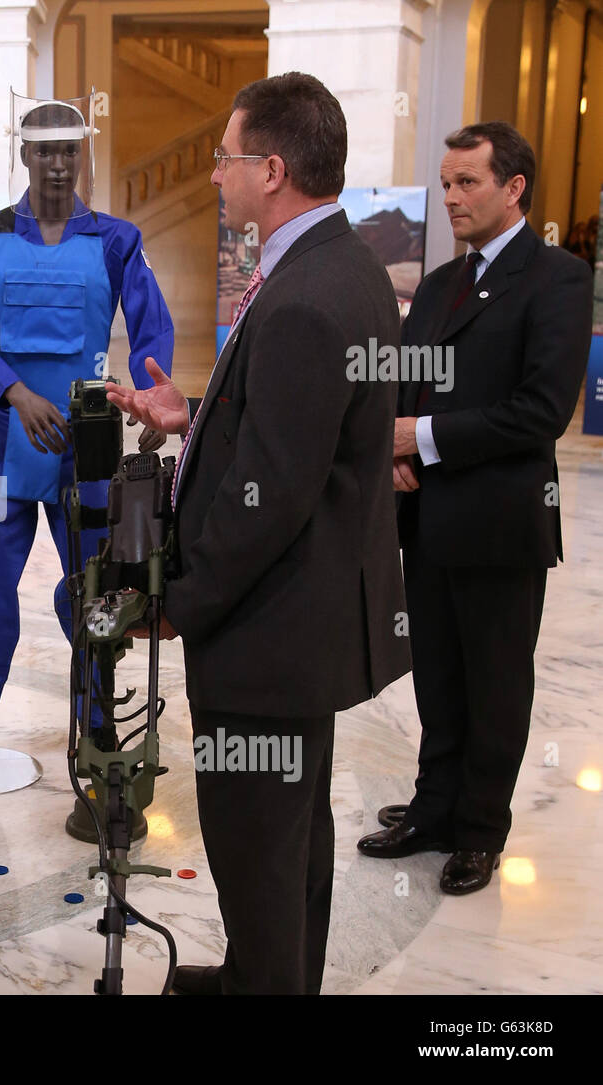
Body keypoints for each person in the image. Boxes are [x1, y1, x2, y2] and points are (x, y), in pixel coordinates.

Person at [106, 72, 410, 995]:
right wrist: (189, 415)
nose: (213, 176)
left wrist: (179, 605)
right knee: (288, 834)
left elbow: (270, 494)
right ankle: (263, 979)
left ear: (271, 169)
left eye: (226, 158)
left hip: (270, 630)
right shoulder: (339, 265)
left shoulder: (309, 296)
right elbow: (284, 428)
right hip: (299, 626)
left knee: (258, 848)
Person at [357, 122, 592, 894]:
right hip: (426, 521)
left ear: (513, 187)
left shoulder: (557, 277)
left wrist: (416, 436)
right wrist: (393, 449)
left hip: (498, 526)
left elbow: (540, 410)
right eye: (446, 183)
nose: (450, 197)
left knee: (494, 684)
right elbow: (402, 377)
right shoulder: (436, 284)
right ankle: (433, 808)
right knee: (440, 680)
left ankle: (480, 829)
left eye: (467, 183)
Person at [0, 100, 173, 841]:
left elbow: (150, 324)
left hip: (88, 438)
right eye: (45, 153)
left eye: (71, 150)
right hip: (2, 436)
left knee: (94, 591)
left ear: (84, 154)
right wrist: (14, 390)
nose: (60, 164)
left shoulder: (117, 242)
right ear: (25, 157)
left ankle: (99, 736)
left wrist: (151, 383)